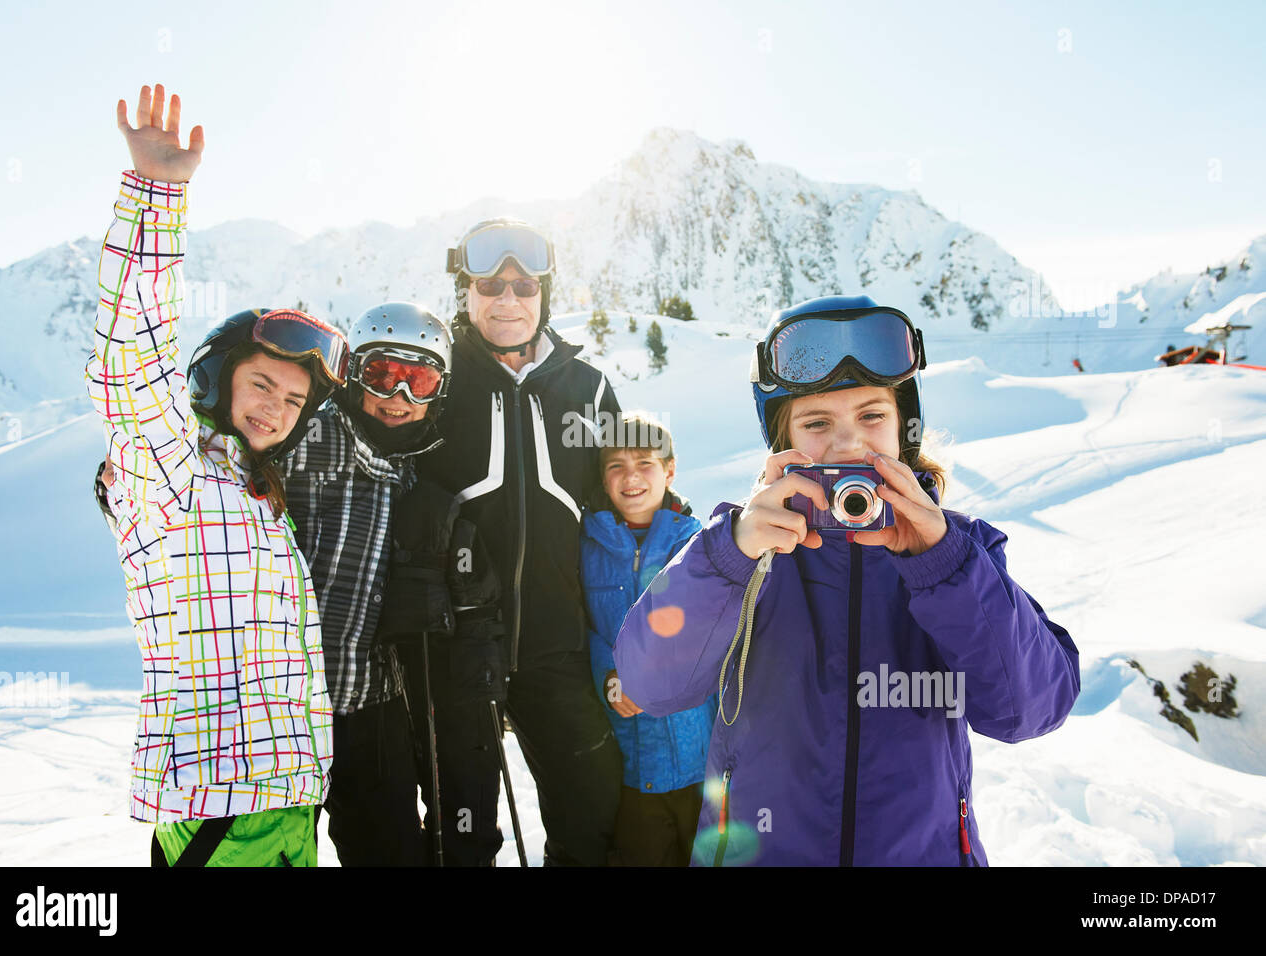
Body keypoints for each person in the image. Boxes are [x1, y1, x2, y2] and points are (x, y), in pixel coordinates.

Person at [614, 295, 1081, 866]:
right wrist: (729, 556)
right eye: (816, 422)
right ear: (781, 442)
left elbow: (1029, 709)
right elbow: (651, 683)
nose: (848, 444)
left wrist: (943, 566)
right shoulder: (738, 548)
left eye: (871, 416)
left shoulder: (962, 551)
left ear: (904, 429)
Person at [87, 85, 341, 866]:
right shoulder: (172, 475)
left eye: (295, 400)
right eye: (262, 384)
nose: (276, 408)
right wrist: (156, 193)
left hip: (292, 802)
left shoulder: (263, 501)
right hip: (217, 813)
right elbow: (130, 362)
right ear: (222, 378)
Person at [421, 219, 624, 865]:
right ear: (466, 291)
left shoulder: (586, 388)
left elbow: (628, 483)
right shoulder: (436, 378)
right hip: (453, 649)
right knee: (463, 833)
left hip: (555, 645)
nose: (508, 300)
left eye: (523, 285)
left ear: (542, 293)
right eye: (489, 284)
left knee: (590, 813)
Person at [281, 303, 506, 866]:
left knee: (390, 851)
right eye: (385, 374)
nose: (399, 397)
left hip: (369, 702)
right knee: (268, 850)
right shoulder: (305, 436)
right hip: (281, 706)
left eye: (420, 380)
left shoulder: (415, 469)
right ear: (356, 373)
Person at [581, 412, 714, 866]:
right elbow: (584, 627)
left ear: (670, 470)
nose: (630, 477)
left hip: (701, 762)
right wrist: (611, 676)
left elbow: (714, 630)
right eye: (616, 465)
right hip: (632, 766)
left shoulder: (699, 543)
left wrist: (653, 675)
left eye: (644, 462)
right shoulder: (587, 545)